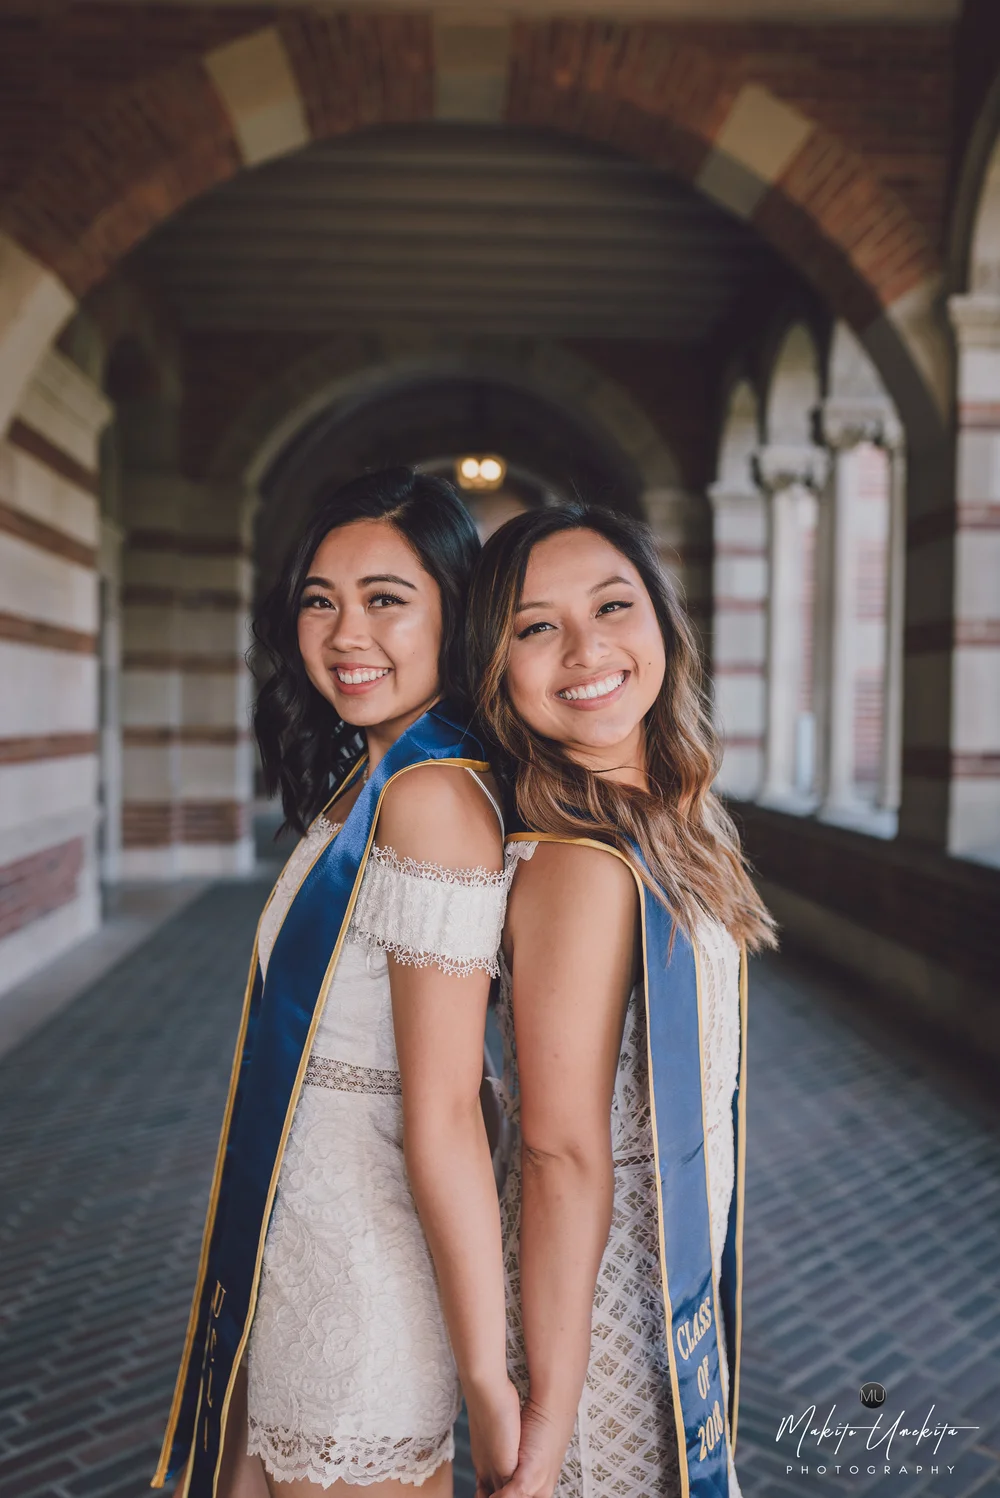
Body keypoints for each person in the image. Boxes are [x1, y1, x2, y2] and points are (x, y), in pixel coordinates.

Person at [153, 469, 519, 1498]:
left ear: (456, 609)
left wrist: (486, 1382)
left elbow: (448, 1106)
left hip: (364, 1278)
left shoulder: (433, 797)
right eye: (321, 599)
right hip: (300, 1243)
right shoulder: (373, 776)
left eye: (385, 599)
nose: (345, 631)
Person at [466, 503, 776, 1498]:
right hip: (598, 1313)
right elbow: (558, 1149)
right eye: (534, 626)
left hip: (662, 1270)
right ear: (496, 667)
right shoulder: (577, 867)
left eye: (612, 605)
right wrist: (551, 1412)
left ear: (662, 623)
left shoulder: (671, 821)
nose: (585, 649)